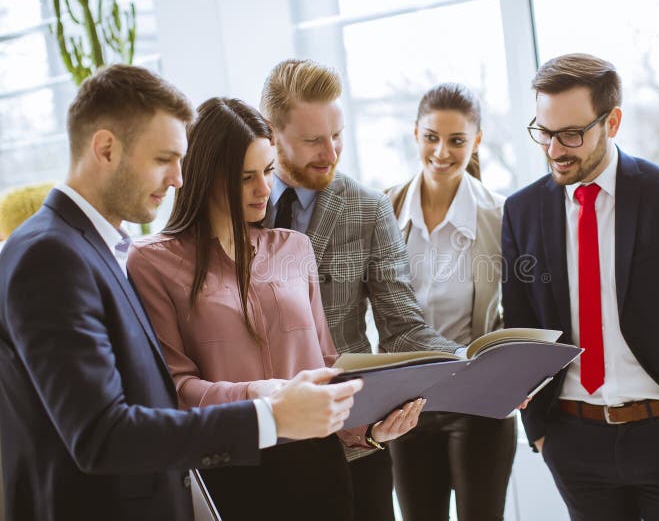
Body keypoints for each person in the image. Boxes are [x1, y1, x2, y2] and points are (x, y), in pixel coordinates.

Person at [0, 64, 363, 521]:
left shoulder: (92, 247)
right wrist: (270, 415)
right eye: (163, 159)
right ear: (106, 149)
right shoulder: (49, 254)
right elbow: (102, 434)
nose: (177, 178)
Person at [127, 97, 423, 521]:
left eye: (267, 171)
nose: (264, 190)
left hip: (320, 471)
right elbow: (174, 388)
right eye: (245, 177)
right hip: (231, 473)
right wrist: (260, 395)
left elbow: (326, 364)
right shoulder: (151, 262)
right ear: (203, 175)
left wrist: (372, 429)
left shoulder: (293, 247)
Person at [502, 53, 659, 521]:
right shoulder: (521, 211)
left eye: (572, 134)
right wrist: (540, 430)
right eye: (544, 132)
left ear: (612, 121)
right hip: (573, 442)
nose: (556, 150)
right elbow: (520, 326)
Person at [258, 59, 461, 520]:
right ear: (270, 132)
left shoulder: (368, 209)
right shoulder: (233, 201)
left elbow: (402, 326)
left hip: (354, 444)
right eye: (312, 140)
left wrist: (473, 365)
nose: (330, 152)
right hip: (260, 443)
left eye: (337, 135)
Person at [385, 83, 516, 521]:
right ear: (415, 134)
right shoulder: (383, 210)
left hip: (478, 400)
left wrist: (519, 373)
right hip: (405, 403)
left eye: (457, 140)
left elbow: (517, 310)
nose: (441, 152)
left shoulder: (500, 216)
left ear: (476, 141)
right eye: (431, 137)